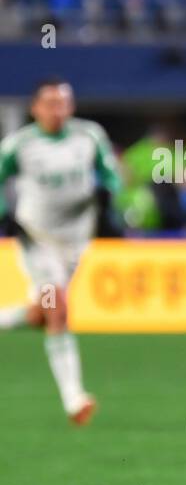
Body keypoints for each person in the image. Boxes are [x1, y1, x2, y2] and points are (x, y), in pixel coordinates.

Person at [0, 78, 122, 424]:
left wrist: (107, 197)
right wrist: (4, 215)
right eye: (50, 103)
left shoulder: (89, 136)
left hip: (75, 241)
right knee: (58, 306)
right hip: (37, 239)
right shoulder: (19, 145)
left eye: (63, 103)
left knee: (42, 313)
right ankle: (74, 398)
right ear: (35, 108)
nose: (58, 110)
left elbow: (110, 174)